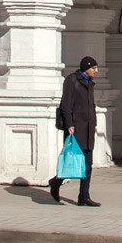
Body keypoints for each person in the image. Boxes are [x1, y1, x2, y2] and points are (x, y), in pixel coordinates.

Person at [48, 56, 99, 207]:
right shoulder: (72, 80)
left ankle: (84, 196)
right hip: (76, 128)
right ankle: (56, 182)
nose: (96, 71)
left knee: (87, 164)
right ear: (86, 68)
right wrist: (69, 124)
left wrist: (94, 122)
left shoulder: (89, 82)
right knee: (72, 162)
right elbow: (65, 104)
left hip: (88, 128)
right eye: (94, 68)